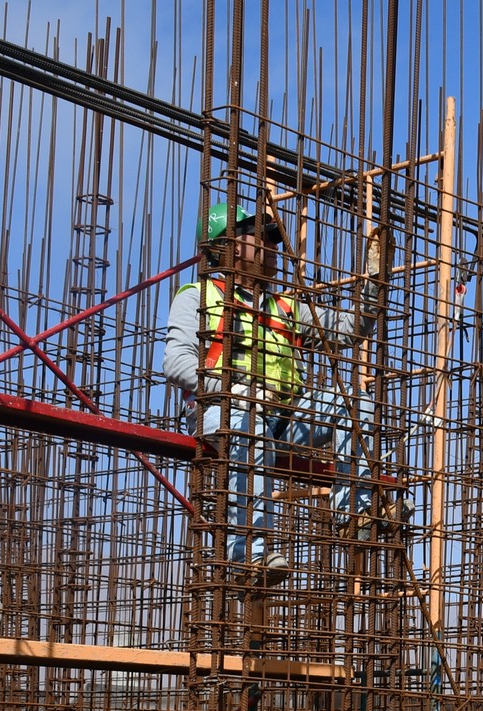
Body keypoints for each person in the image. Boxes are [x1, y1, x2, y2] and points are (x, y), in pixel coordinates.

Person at [160, 201, 391, 581]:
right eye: (263, 237)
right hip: (223, 411)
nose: (273, 245)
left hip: (283, 414)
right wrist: (236, 389)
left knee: (357, 406)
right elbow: (176, 362)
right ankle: (248, 556)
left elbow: (350, 329)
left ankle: (354, 513)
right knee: (248, 426)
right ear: (231, 245)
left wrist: (372, 285)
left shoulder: (283, 306)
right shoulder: (198, 296)